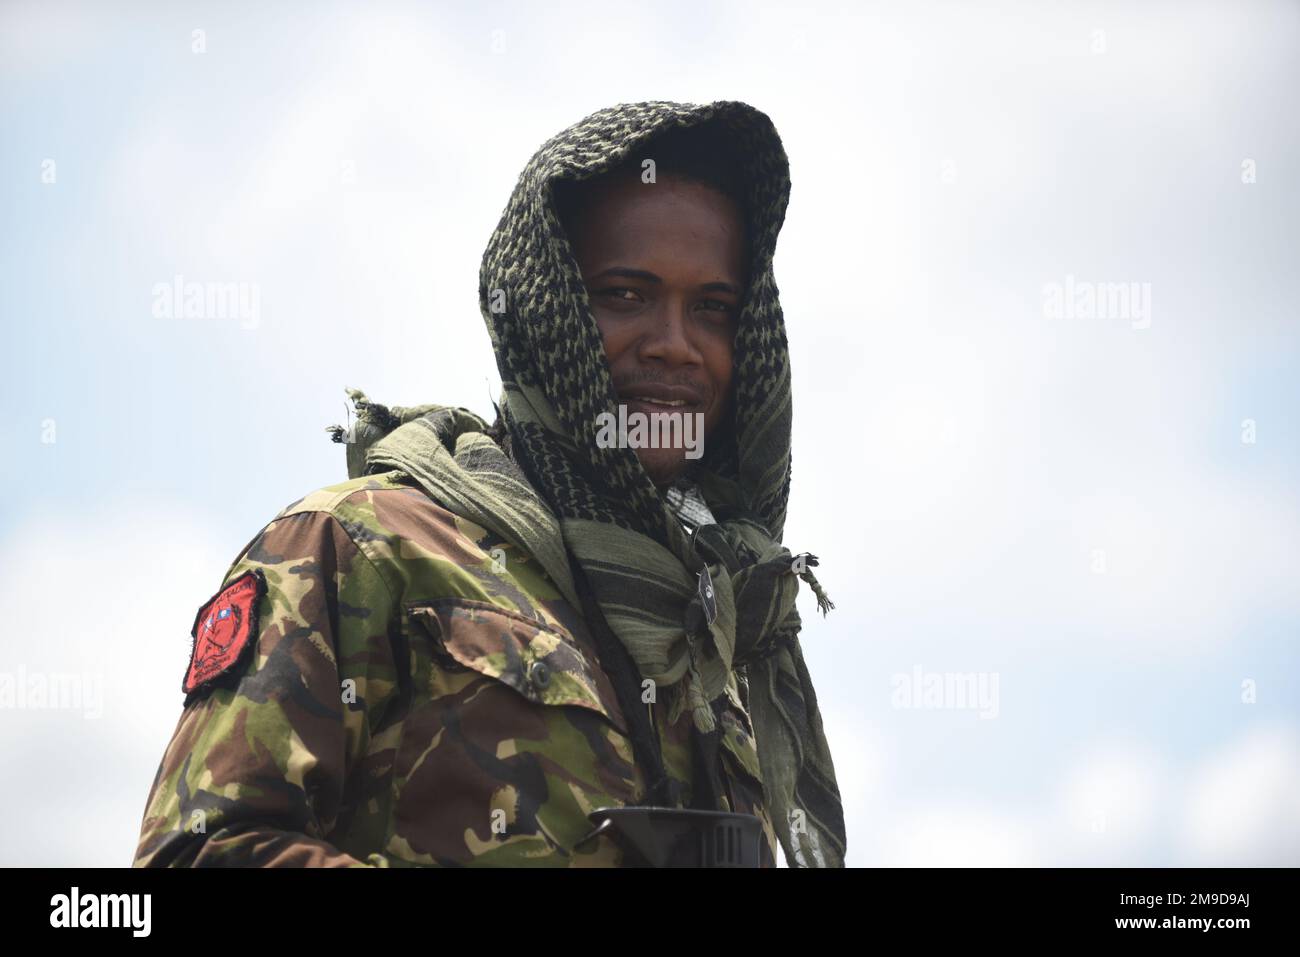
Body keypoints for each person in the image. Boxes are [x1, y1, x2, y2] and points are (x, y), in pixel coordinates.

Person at [132, 99, 846, 868]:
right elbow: (193, 854)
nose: (676, 345)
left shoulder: (710, 631)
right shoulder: (364, 547)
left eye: (713, 308)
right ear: (548, 311)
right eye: (626, 296)